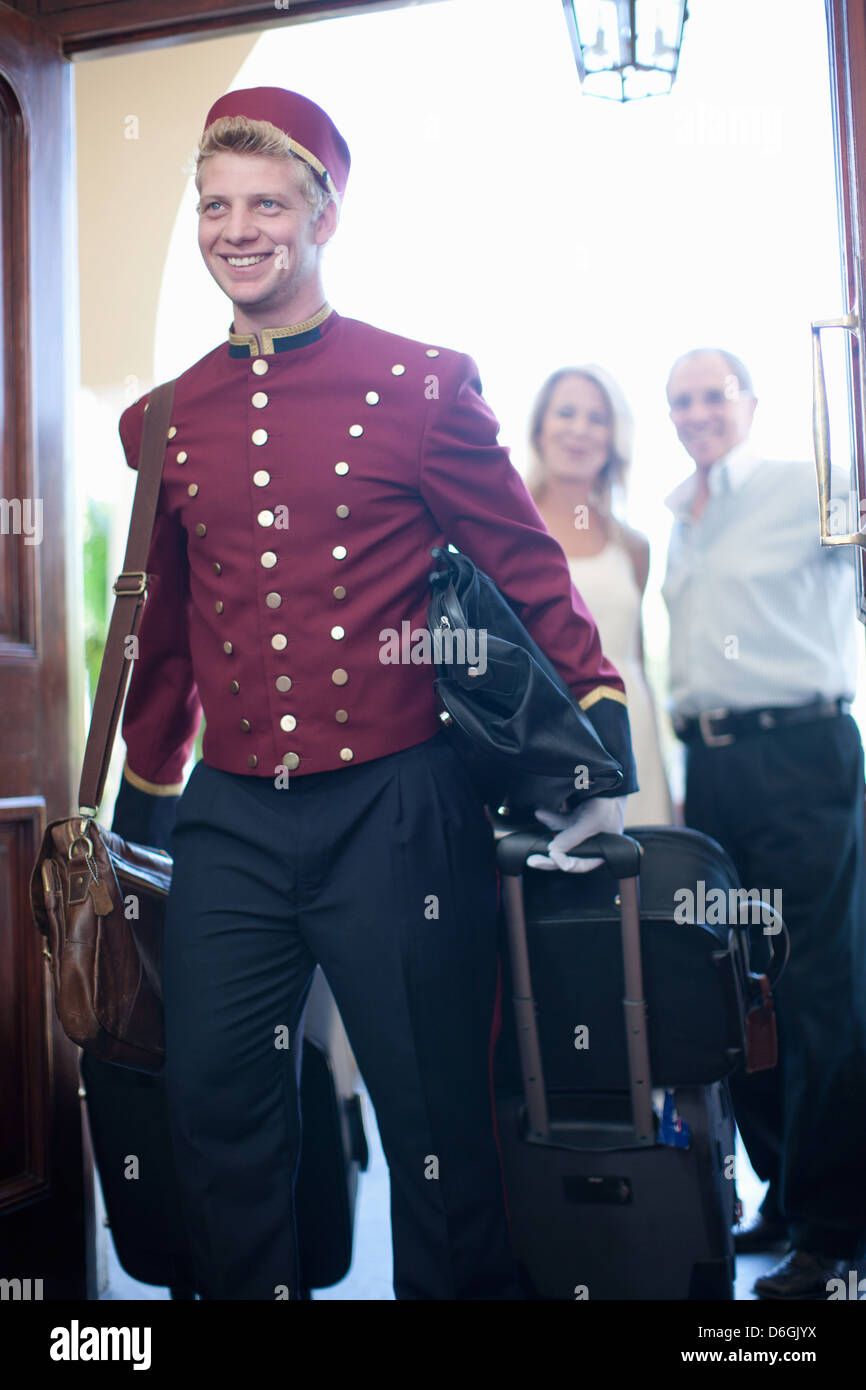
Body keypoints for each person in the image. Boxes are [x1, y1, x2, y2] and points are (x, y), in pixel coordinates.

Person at [109, 86, 637, 1300]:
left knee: (438, 1132)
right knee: (215, 1110)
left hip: (400, 813)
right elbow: (171, 641)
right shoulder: (165, 421)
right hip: (231, 818)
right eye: (214, 206)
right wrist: (140, 808)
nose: (237, 230)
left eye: (267, 203)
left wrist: (594, 749)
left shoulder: (421, 385)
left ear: (324, 215)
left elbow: (527, 572)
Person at [661, 346, 866, 1300]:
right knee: (740, 992)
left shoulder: (808, 485)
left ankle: (835, 1239)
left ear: (749, 402)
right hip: (715, 768)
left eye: (714, 395)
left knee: (820, 994)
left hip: (801, 758)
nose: (697, 411)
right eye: (681, 399)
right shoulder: (679, 514)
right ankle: (786, 1197)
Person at [528, 365, 672, 825]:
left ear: (614, 438)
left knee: (642, 886)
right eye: (566, 413)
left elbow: (640, 663)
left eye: (596, 418)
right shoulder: (508, 533)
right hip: (544, 739)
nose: (579, 430)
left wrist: (667, 783)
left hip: (632, 735)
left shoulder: (633, 546)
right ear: (539, 428)